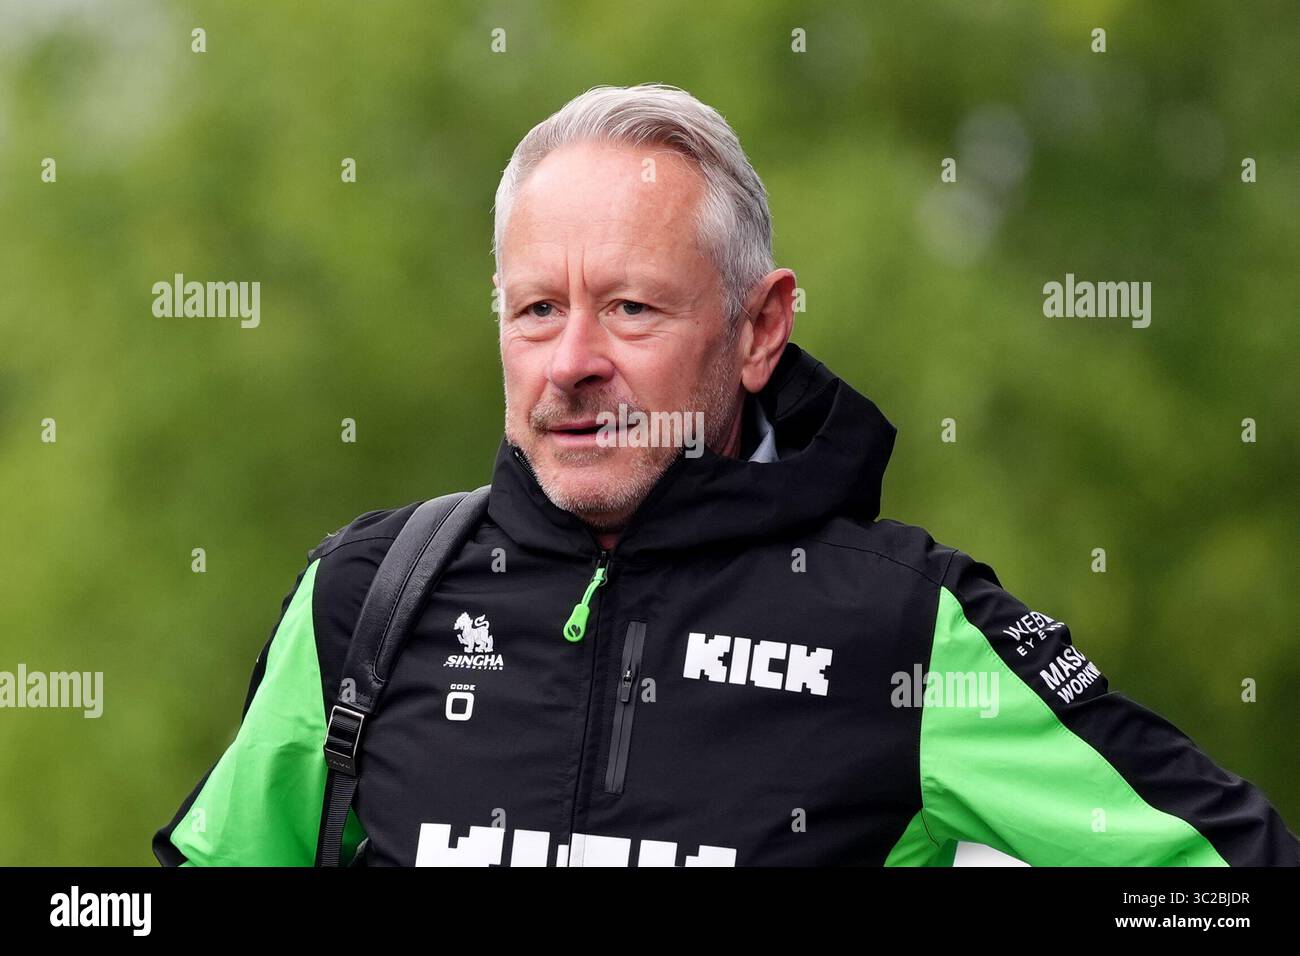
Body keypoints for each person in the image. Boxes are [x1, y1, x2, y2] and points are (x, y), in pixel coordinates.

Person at [154, 83, 1300, 867]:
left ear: (760, 328)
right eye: (537, 308)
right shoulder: (365, 595)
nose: (573, 364)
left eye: (631, 308)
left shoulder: (903, 625)